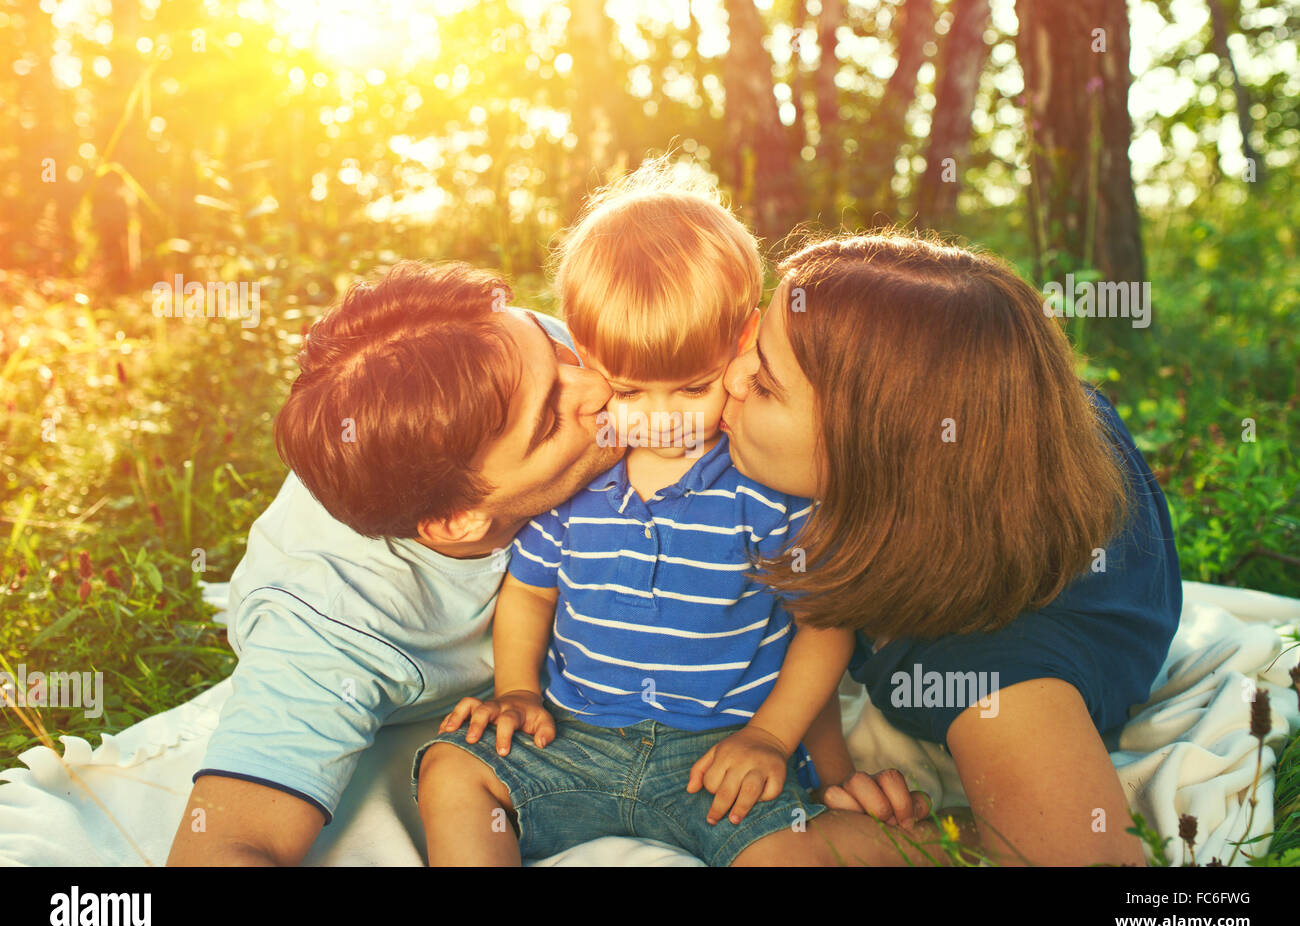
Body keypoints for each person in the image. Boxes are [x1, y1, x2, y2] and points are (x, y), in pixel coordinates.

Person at [414, 164, 875, 867]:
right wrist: (515, 691)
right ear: (588, 357)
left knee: (792, 853)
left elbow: (823, 623)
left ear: (743, 342)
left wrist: (772, 740)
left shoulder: (769, 485)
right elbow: (531, 592)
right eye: (630, 389)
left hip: (719, 755)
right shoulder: (575, 479)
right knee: (450, 768)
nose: (661, 419)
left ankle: (911, 836)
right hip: (574, 738)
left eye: (693, 387)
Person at [719, 230, 1183, 865]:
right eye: (752, 342)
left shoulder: (992, 679)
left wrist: (942, 832)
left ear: (873, 452)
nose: (730, 375)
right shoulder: (967, 438)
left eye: (765, 385)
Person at [167, 261, 621, 865]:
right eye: (549, 420)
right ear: (459, 521)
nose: (601, 386)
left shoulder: (515, 353)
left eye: (556, 351)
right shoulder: (332, 626)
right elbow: (225, 846)